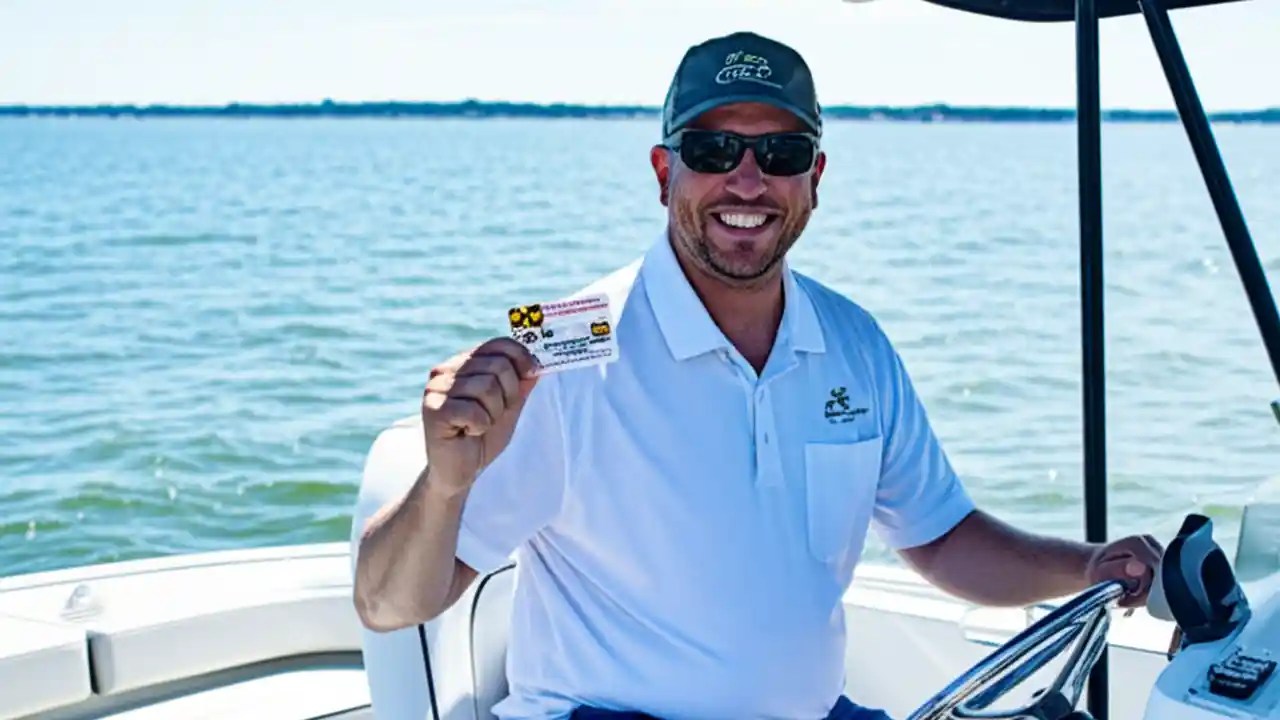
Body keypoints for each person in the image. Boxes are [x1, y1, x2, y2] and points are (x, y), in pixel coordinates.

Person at [353, 30, 1164, 720]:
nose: (748, 180)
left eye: (779, 152)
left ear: (815, 178)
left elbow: (942, 536)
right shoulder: (567, 346)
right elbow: (387, 606)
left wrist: (1086, 566)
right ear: (664, 171)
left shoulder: (856, 342)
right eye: (713, 150)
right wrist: (445, 484)